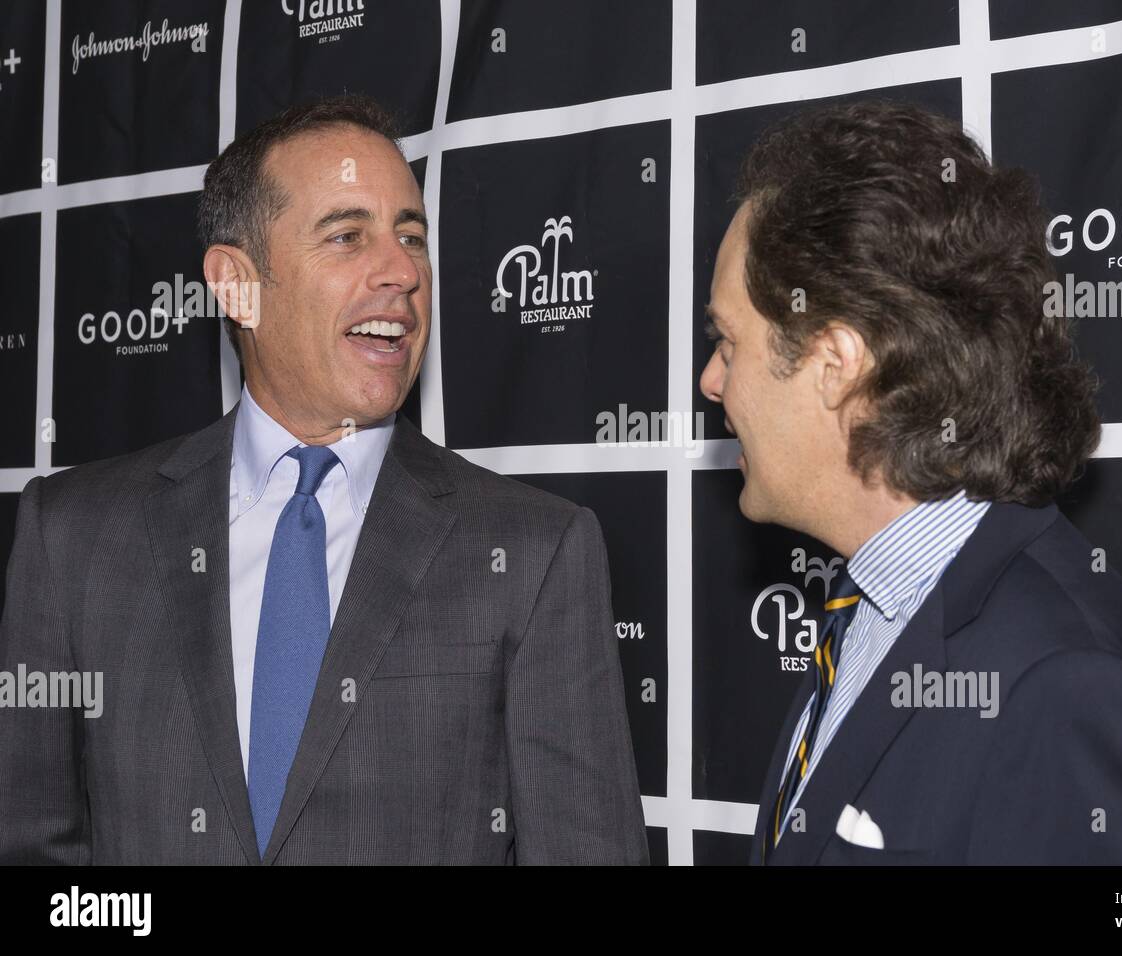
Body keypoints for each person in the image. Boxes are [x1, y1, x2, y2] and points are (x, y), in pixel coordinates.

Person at [0, 94, 647, 865]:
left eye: (413, 236)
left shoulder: (533, 550)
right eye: (348, 236)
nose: (402, 270)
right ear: (236, 285)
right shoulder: (71, 535)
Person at [698, 99, 1122, 865]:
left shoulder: (1066, 681)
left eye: (728, 343)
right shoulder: (867, 605)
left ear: (836, 362)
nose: (710, 382)